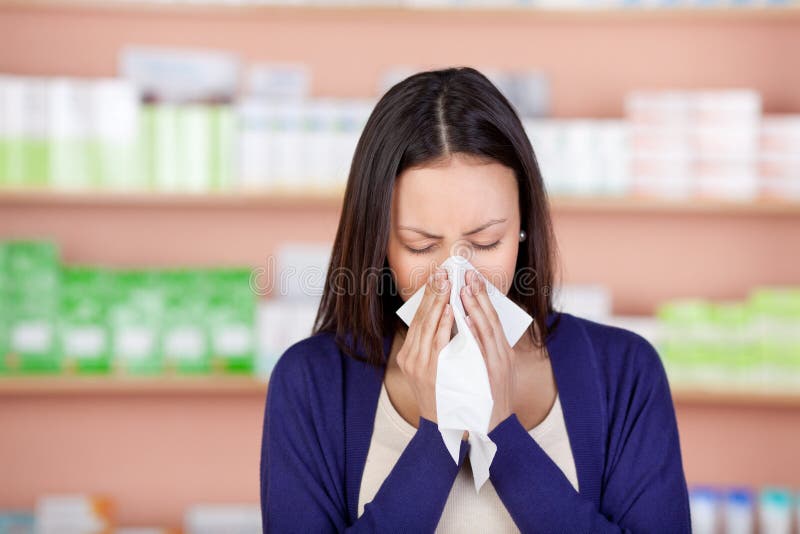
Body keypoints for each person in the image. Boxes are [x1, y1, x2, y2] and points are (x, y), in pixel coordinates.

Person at [259, 66, 691, 533]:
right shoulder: (310, 384)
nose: (456, 276)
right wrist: (435, 437)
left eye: (486, 242)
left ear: (523, 227)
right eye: (421, 246)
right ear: (379, 242)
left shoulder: (624, 373)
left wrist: (504, 434)